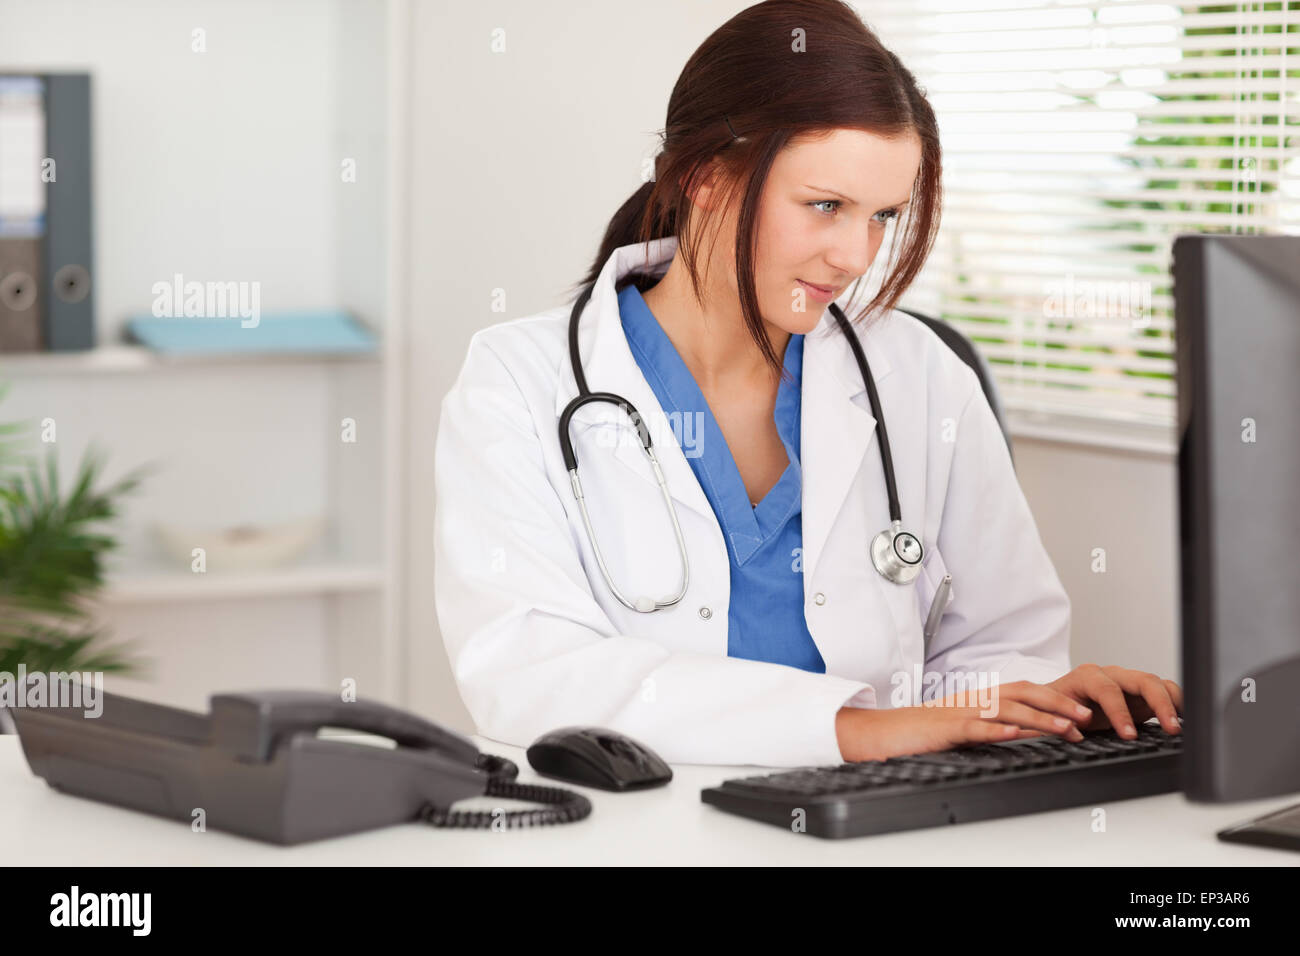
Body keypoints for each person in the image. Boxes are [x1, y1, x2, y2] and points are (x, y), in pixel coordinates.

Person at [433, 0, 1183, 767]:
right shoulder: (518, 385)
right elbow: (527, 673)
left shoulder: (920, 377)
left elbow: (1003, 647)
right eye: (824, 206)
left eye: (883, 216)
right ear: (702, 178)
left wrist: (1041, 704)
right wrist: (856, 730)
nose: (856, 256)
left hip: (885, 823)